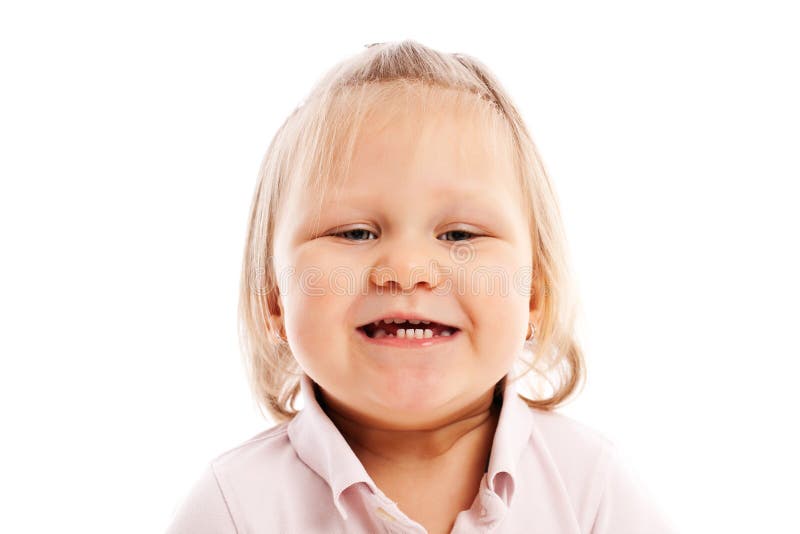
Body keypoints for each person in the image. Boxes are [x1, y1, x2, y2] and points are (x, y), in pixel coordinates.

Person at [165, 40, 677, 534]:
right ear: (274, 298)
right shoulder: (233, 508)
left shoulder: (591, 490)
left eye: (459, 234)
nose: (408, 270)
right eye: (355, 232)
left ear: (534, 295)